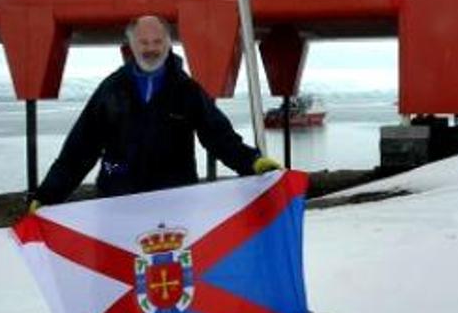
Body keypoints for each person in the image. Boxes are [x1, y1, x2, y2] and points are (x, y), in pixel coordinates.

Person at [29, 14, 280, 208]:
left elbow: (219, 137)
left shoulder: (186, 90)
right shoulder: (111, 90)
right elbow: (79, 150)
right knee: (120, 275)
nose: (151, 48)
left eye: (158, 41)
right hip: (118, 204)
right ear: (131, 44)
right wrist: (48, 195)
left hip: (175, 204)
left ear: (169, 43)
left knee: (173, 276)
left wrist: (252, 162)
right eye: (143, 41)